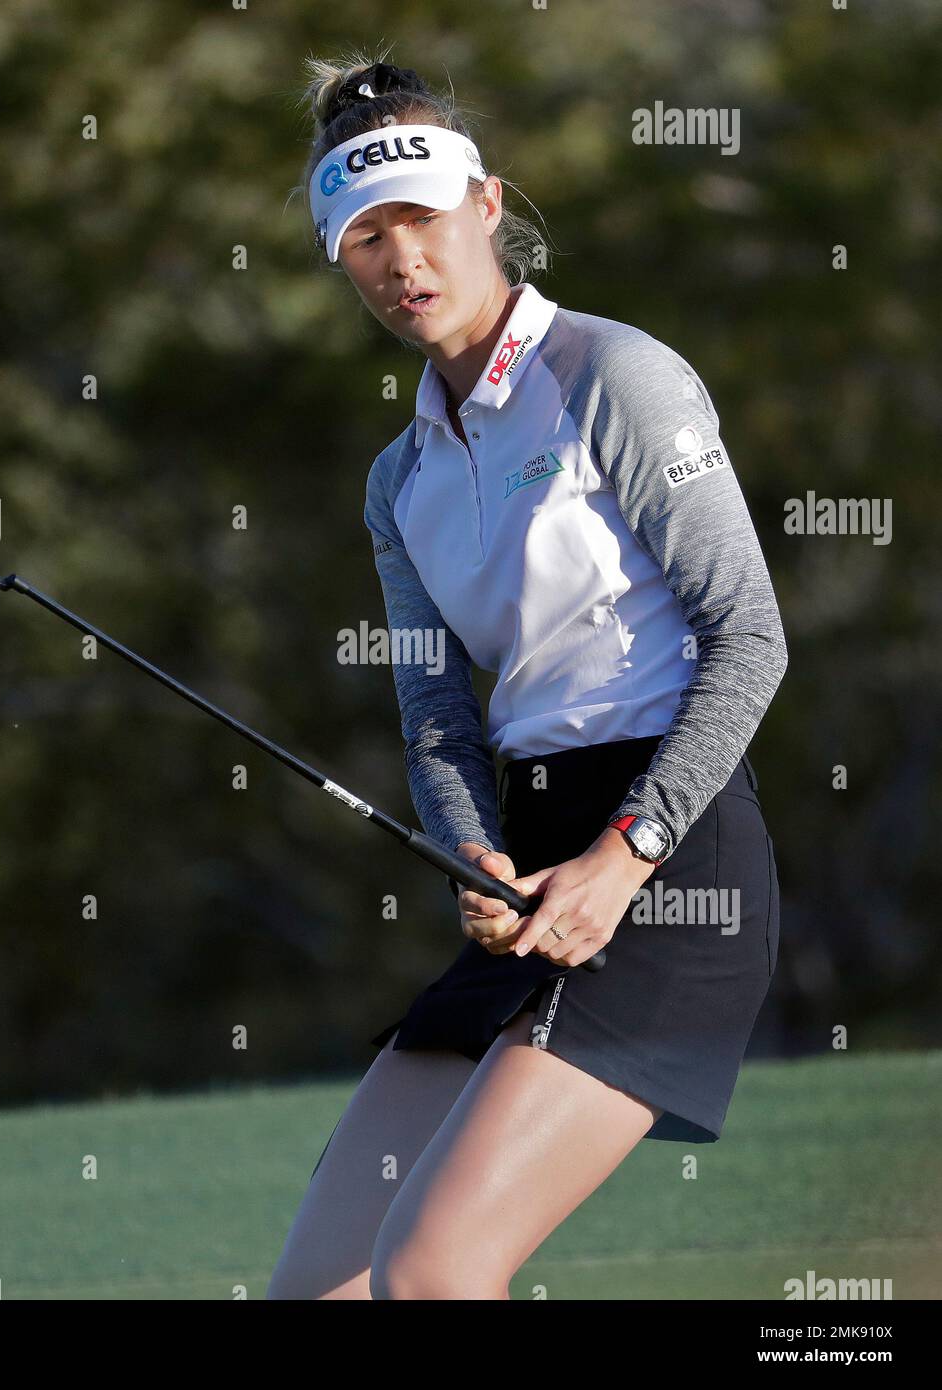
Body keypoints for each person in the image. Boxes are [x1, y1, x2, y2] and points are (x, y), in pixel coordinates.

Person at [267, 47, 788, 1302]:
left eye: (424, 222)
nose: (403, 263)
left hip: (672, 862)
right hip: (527, 863)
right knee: (321, 1295)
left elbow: (751, 637)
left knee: (439, 1272)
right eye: (364, 238)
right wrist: (472, 857)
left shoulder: (616, 376)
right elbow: (439, 715)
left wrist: (626, 855)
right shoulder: (400, 481)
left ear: (487, 206)